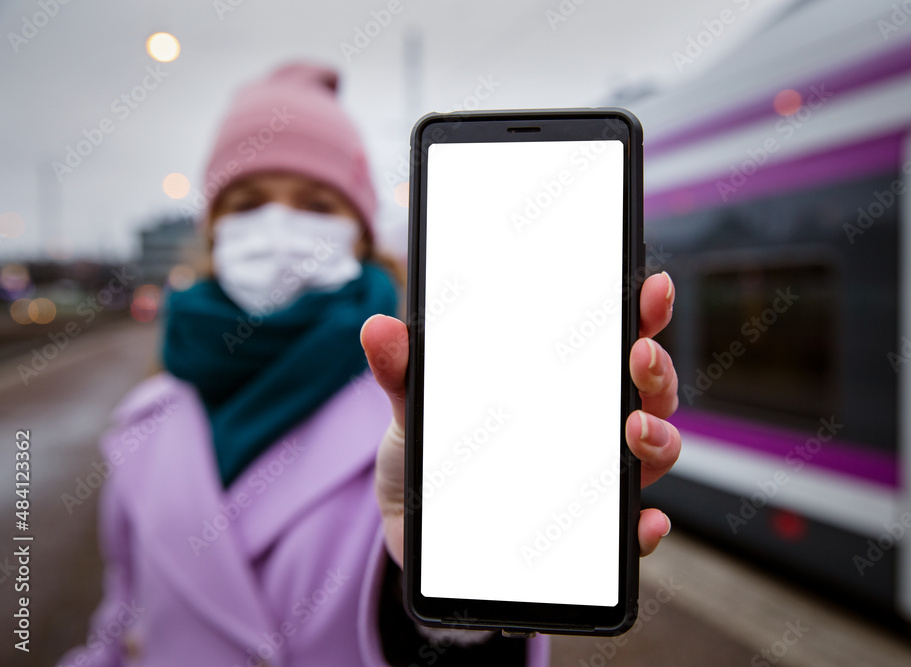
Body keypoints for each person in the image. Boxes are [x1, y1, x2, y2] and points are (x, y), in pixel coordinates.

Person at [59, 62, 682, 667]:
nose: (278, 226)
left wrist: (459, 617)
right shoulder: (146, 420)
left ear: (358, 233)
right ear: (214, 230)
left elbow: (447, 646)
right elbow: (120, 629)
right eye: (248, 202)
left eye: (313, 203)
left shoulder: (427, 413)